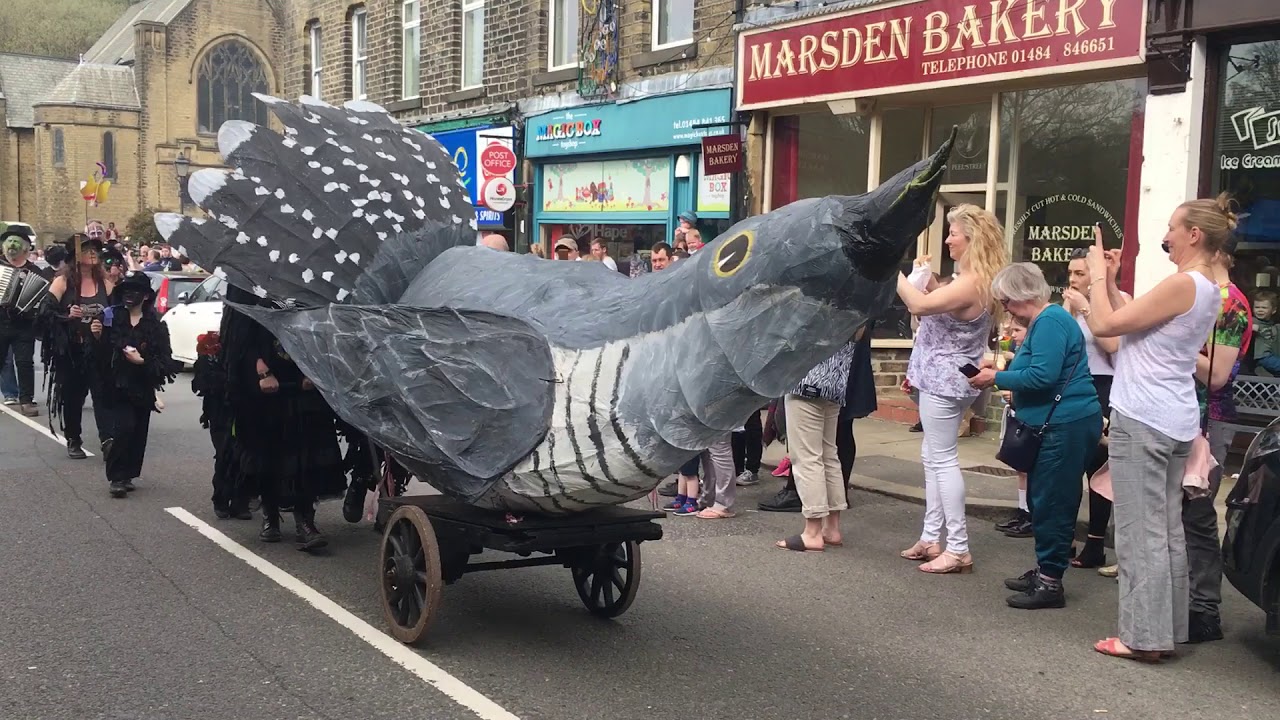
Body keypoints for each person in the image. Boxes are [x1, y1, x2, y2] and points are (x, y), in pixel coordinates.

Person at [1083, 196, 1230, 662]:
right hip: (1172, 417)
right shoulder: (1206, 286)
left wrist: (1098, 276)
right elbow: (1128, 331)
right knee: (1165, 530)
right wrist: (1112, 280)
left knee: (1139, 532)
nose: (1164, 236)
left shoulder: (1184, 282)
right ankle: (1166, 630)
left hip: (1145, 418)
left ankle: (1142, 637)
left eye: (1171, 228)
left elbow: (1105, 323)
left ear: (1194, 235)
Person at [968, 263, 1102, 609]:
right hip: (1063, 422)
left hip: (1064, 425)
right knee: (1046, 500)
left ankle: (1050, 582)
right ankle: (1046, 571)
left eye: (1006, 302)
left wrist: (995, 378)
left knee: (1053, 502)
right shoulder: (1052, 320)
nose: (1007, 310)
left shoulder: (1050, 322)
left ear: (1018, 297)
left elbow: (1042, 377)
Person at [895, 205, 1008, 574]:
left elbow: (918, 305)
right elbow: (937, 303)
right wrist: (925, 281)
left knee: (942, 459)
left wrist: (890, 271)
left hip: (945, 380)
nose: (947, 240)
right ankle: (931, 536)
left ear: (971, 239)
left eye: (953, 233)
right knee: (933, 456)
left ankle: (957, 546)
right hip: (945, 376)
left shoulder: (970, 282)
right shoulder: (975, 280)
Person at [221, 285, 348, 551]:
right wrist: (260, 369)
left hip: (304, 373)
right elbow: (239, 330)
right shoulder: (245, 276)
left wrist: (315, 368)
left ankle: (305, 520)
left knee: (307, 448)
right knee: (267, 448)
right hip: (263, 380)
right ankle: (270, 513)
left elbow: (323, 324)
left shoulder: (308, 272)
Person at [1183, 235, 1252, 643]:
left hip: (1211, 421)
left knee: (1197, 516)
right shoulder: (1205, 294)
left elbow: (1218, 375)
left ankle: (1205, 609)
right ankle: (1185, 601)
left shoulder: (1231, 303)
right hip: (1186, 416)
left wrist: (1172, 337)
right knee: (1182, 516)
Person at [1060, 246, 1124, 567]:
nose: (1073, 279)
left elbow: (1115, 350)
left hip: (1104, 385)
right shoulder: (1068, 305)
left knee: (1097, 468)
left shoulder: (1116, 300)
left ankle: (1096, 543)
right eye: (1070, 273)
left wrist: (1087, 309)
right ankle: (1065, 537)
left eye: (1080, 273)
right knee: (1069, 466)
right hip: (1073, 384)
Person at [774, 333, 860, 552]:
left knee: (805, 457)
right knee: (828, 454)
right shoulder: (858, 305)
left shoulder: (820, 301)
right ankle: (832, 528)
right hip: (835, 381)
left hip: (805, 381)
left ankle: (812, 532)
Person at [94, 271, 177, 497]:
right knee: (125, 427)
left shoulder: (156, 325)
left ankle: (128, 473)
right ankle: (116, 477)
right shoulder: (110, 317)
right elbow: (97, 355)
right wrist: (97, 336)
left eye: (136, 291)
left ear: (146, 296)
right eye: (126, 291)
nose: (130, 295)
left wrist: (143, 361)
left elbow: (166, 361)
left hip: (142, 385)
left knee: (138, 431)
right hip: (115, 385)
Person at [44, 235, 116, 459]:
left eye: (95, 249)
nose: (93, 252)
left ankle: (107, 440)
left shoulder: (105, 282)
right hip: (72, 351)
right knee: (73, 397)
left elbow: (117, 313)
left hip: (98, 350)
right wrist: (66, 316)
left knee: (103, 395)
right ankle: (73, 438)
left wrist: (105, 326)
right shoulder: (63, 282)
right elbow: (44, 315)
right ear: (76, 256)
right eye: (87, 250)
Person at [0, 225, 52, 417]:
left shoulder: (36, 272)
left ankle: (26, 399)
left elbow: (43, 298)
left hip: (24, 324)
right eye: (9, 241)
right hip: (0, 321)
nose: (11, 245)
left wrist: (36, 308)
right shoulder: (0, 266)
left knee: (24, 362)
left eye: (16, 242)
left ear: (25, 248)